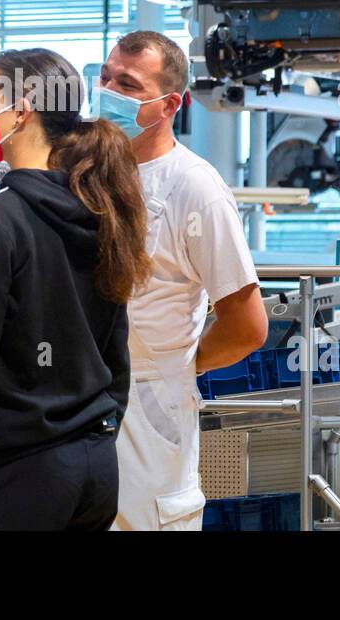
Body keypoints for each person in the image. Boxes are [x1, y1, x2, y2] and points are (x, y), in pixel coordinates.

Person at [0, 49, 150, 531]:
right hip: (95, 471)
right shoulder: (102, 210)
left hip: (15, 477)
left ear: (20, 110)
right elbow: (116, 357)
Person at [94, 30, 270, 531]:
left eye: (126, 84)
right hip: (80, 400)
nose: (107, 92)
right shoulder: (87, 171)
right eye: (105, 77)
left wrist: (174, 368)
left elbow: (246, 326)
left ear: (169, 102)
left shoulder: (195, 188)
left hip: (152, 406)